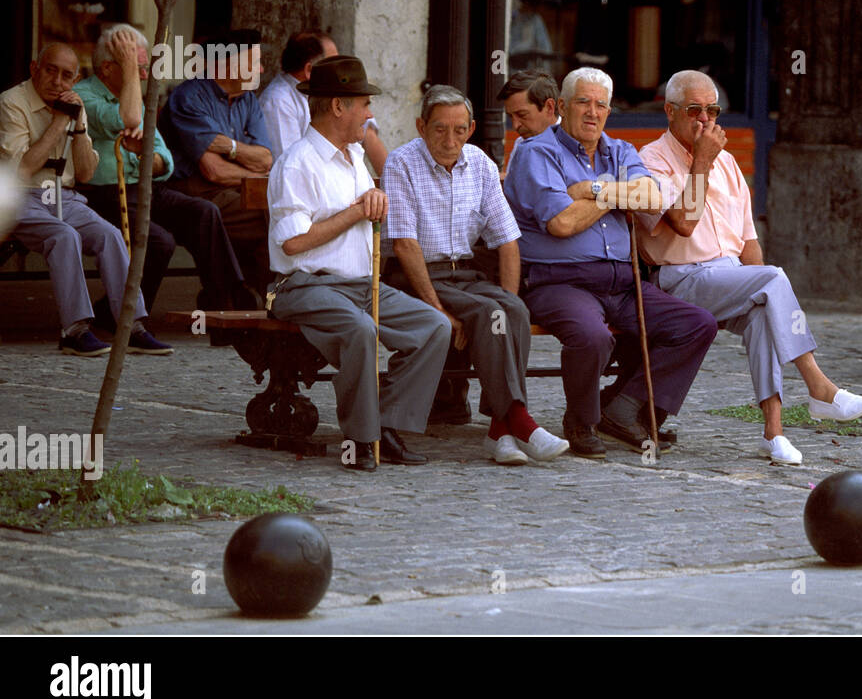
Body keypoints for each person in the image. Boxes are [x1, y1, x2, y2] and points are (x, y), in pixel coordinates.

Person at [638, 71, 862, 466]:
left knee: (764, 308)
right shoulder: (652, 160)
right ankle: (820, 388)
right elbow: (683, 221)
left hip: (728, 274)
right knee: (774, 278)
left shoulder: (728, 162)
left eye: (711, 111)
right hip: (680, 279)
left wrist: (766, 297)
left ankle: (774, 433)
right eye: (694, 110)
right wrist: (700, 160)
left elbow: (749, 242)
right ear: (669, 111)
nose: (704, 120)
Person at [504, 66, 717, 459]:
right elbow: (562, 223)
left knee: (696, 324)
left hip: (621, 281)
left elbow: (652, 199)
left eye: (601, 105)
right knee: (592, 336)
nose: (592, 112)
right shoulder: (537, 152)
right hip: (559, 282)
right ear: (562, 106)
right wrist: (618, 197)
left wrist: (593, 190)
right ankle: (581, 421)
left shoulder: (620, 151)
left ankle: (625, 407)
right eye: (583, 102)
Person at [267, 55, 450, 472]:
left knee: (433, 327)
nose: (370, 113)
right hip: (303, 287)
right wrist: (356, 212)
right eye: (364, 104)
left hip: (362, 285)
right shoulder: (296, 163)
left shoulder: (354, 157)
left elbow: (369, 213)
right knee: (360, 330)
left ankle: (386, 424)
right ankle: (360, 440)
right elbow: (293, 243)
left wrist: (378, 205)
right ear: (338, 107)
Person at [382, 85, 569, 464]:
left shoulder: (480, 163)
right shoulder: (401, 164)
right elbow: (404, 246)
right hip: (417, 277)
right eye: (438, 129)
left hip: (465, 276)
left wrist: (512, 298)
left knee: (513, 311)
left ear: (470, 129)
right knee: (492, 314)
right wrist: (439, 312)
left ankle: (502, 432)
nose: (449, 140)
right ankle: (519, 422)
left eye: (458, 130)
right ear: (421, 127)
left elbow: (508, 242)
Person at [0, 43, 170, 355]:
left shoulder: (73, 106)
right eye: (51, 71)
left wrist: (78, 126)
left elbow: (87, 173)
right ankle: (74, 330)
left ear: (75, 80)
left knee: (110, 234)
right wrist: (59, 122)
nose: (57, 82)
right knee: (63, 236)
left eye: (67, 76)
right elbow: (22, 169)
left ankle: (130, 326)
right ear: (34, 68)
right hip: (16, 195)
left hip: (63, 196)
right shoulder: (11, 102)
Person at [80, 24, 250, 312]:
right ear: (108, 68)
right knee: (159, 241)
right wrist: (131, 74)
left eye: (144, 68)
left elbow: (163, 159)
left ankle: (225, 302)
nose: (144, 75)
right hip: (105, 195)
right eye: (137, 67)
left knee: (204, 212)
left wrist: (149, 158)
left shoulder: (134, 96)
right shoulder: (84, 95)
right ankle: (123, 315)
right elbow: (127, 119)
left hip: (147, 188)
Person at [159, 29, 274, 296]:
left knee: (275, 210)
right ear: (230, 64)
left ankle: (249, 297)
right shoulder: (189, 97)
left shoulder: (249, 99)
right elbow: (214, 171)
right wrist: (250, 162)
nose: (262, 68)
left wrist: (230, 146)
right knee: (272, 215)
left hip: (231, 189)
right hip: (191, 191)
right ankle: (253, 297)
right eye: (254, 62)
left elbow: (266, 159)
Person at [262, 30, 389, 174]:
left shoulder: (354, 152)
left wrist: (391, 184)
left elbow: (369, 134)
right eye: (332, 62)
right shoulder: (278, 101)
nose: (369, 115)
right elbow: (290, 166)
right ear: (309, 70)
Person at [497, 70, 560, 140]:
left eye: (522, 114)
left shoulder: (570, 145)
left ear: (549, 107)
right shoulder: (520, 142)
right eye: (510, 117)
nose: (515, 126)